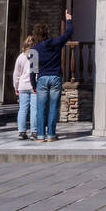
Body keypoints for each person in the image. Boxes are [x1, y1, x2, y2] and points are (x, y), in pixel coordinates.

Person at [31, 9, 73, 142]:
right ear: (47, 33)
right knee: (54, 107)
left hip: (42, 79)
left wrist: (33, 85)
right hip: (55, 77)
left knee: (41, 108)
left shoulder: (34, 50)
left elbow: (32, 70)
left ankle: (40, 135)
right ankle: (51, 135)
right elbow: (68, 33)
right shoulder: (55, 44)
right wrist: (69, 20)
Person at [12, 33, 38, 140]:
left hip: (22, 86)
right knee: (34, 109)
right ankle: (34, 131)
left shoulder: (20, 57)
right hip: (33, 86)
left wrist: (16, 87)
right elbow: (36, 72)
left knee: (22, 109)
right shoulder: (35, 55)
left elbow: (16, 74)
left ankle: (21, 131)